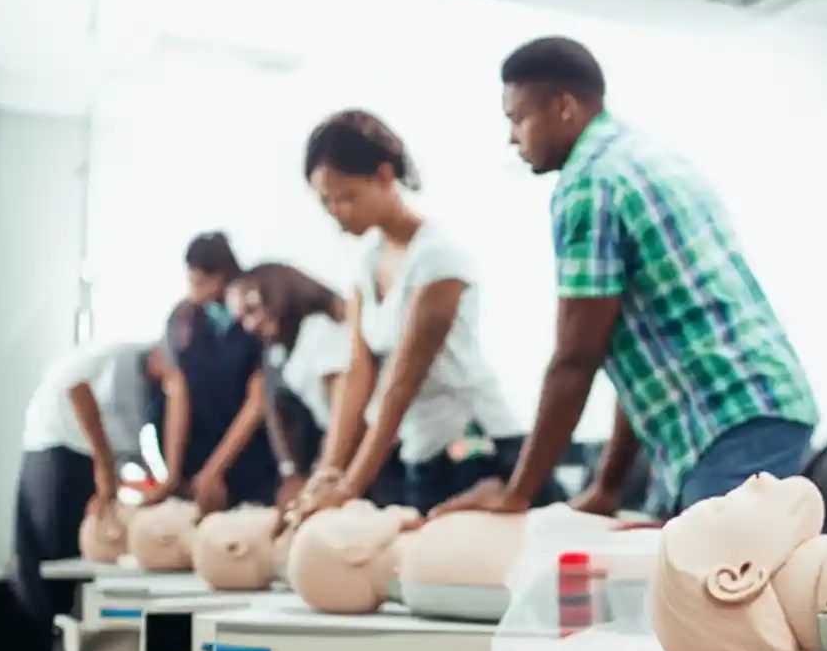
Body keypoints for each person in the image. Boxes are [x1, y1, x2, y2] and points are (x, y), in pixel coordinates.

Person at [430, 36, 819, 519]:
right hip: (754, 411)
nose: (513, 138)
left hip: (732, 425)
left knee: (710, 589)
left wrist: (517, 495)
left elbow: (576, 357)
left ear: (565, 108)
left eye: (518, 118)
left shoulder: (588, 184)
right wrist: (607, 486)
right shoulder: (647, 157)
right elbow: (641, 359)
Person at [288, 110, 549, 520]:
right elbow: (359, 374)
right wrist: (327, 474)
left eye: (347, 196)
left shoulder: (438, 257)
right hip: (420, 449)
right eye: (326, 201)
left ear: (385, 177)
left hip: (479, 446)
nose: (337, 210)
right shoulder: (364, 263)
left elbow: (400, 384)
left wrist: (350, 487)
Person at [227, 262, 406, 509]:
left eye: (252, 309)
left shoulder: (319, 332)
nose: (250, 325)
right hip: (362, 464)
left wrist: (324, 477)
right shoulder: (285, 352)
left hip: (381, 464)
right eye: (241, 319)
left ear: (278, 291)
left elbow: (349, 415)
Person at [11, 342, 165, 621]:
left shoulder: (147, 393)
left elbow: (129, 444)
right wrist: (104, 465)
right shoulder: (121, 357)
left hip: (80, 456)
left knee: (67, 570)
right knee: (54, 569)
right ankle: (52, 650)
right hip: (61, 452)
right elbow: (77, 388)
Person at [153, 232, 278, 513]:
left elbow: (257, 402)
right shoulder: (184, 321)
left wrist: (214, 471)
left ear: (222, 277)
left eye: (200, 282)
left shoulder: (256, 317)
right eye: (190, 280)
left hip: (249, 457)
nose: (194, 291)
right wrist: (173, 474)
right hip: (198, 454)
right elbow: (178, 393)